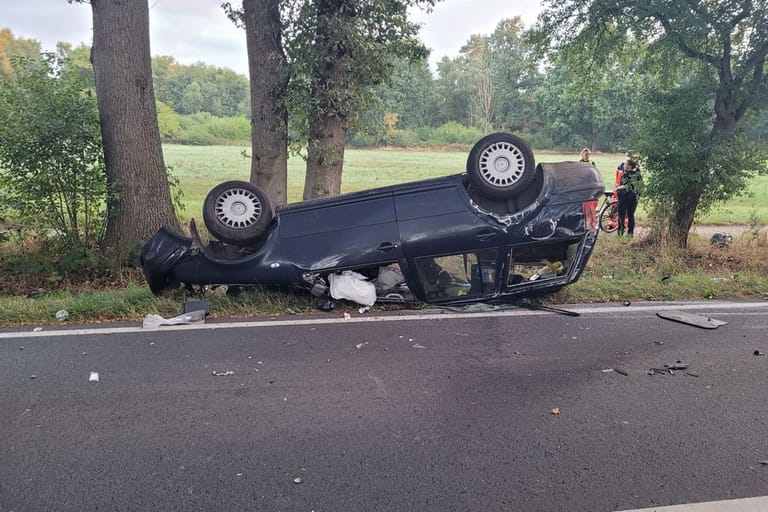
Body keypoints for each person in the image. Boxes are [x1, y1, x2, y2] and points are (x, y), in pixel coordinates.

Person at [616, 159, 642, 236]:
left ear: (629, 166)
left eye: (625, 164)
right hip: (634, 198)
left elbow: (629, 186)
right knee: (631, 215)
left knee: (621, 215)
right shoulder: (637, 174)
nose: (624, 165)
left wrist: (619, 188)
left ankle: (620, 232)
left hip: (625, 197)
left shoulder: (628, 175)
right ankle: (630, 233)